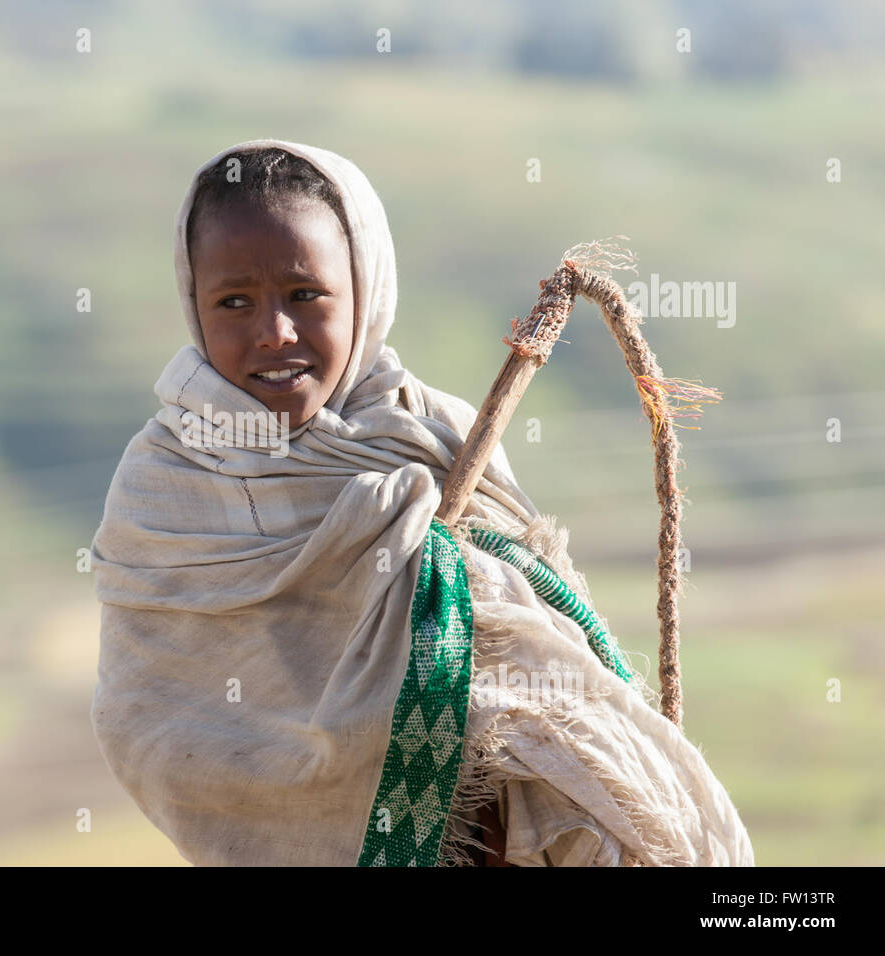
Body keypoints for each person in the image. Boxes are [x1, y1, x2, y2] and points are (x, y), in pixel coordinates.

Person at [88, 138, 754, 867]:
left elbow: (543, 646)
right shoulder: (164, 487)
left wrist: (452, 586)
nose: (273, 331)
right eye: (234, 301)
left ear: (364, 290)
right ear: (194, 302)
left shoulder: (435, 433)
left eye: (305, 295)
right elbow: (151, 728)